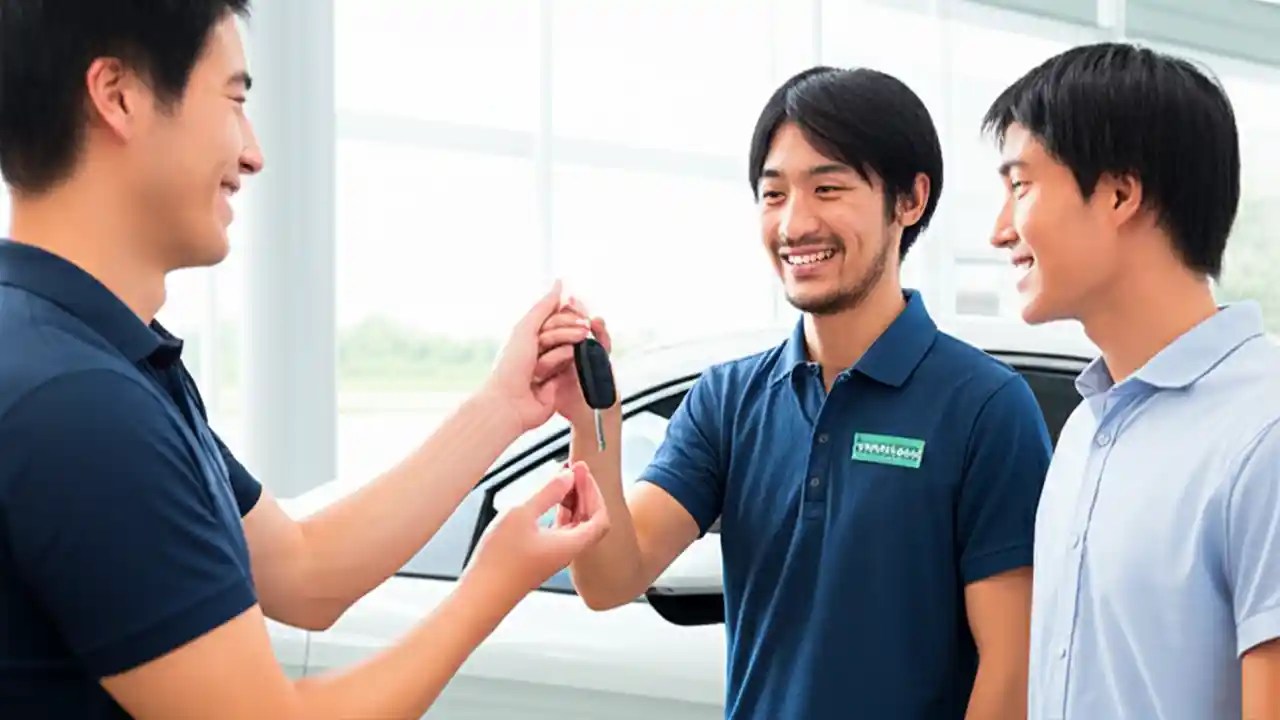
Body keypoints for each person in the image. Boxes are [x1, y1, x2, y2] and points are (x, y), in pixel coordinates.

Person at [0, 2, 609, 719]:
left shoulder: (93, 358)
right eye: (233, 100)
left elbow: (305, 571)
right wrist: (491, 586)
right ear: (121, 96)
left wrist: (501, 410)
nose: (253, 153)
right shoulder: (80, 405)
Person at [538, 66, 1054, 719]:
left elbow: (1011, 675)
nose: (795, 223)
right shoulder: (727, 401)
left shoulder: (986, 408)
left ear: (909, 200)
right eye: (774, 194)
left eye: (828, 188)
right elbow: (611, 578)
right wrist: (593, 427)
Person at [983, 42, 1280, 719]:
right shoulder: (1085, 430)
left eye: (1021, 185)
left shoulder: (1265, 434)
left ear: (1120, 192)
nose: (1001, 230)